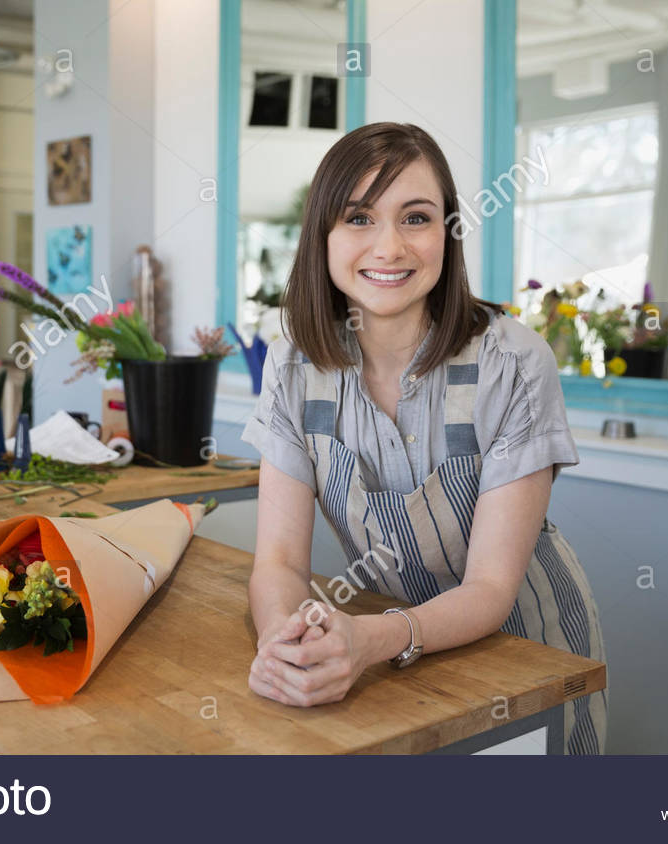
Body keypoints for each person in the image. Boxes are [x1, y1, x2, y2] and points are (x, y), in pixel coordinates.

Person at [241, 122, 607, 755]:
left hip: (526, 654)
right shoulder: (293, 368)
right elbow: (279, 563)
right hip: (392, 662)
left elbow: (491, 590)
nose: (388, 247)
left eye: (415, 218)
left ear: (448, 232)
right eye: (358, 217)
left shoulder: (514, 363)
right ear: (322, 236)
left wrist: (370, 639)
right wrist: (285, 643)